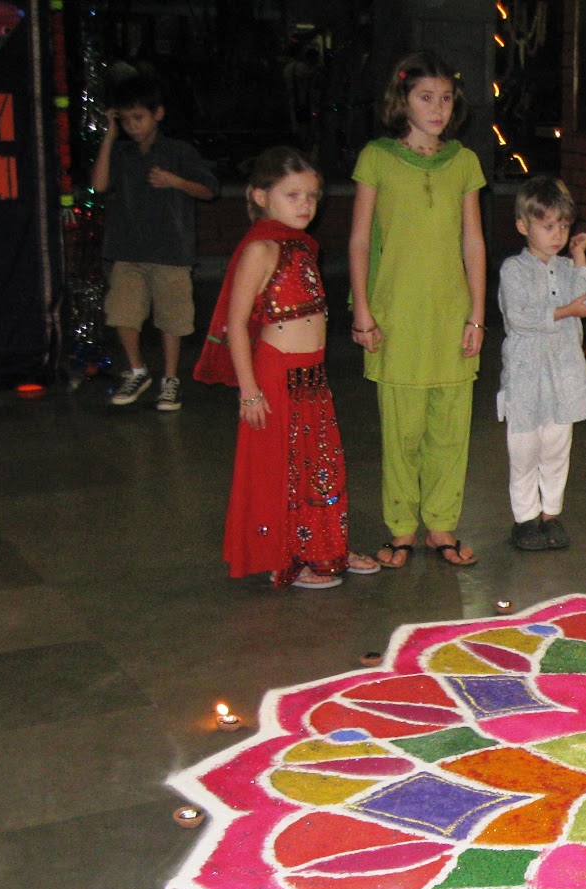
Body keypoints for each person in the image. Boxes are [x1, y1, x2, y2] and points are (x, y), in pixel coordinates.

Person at [194, 146, 379, 589]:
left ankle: (327, 546)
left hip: (312, 377)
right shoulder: (260, 249)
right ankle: (291, 557)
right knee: (284, 470)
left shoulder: (301, 246)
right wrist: (250, 391)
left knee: (323, 466)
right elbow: (237, 325)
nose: (305, 205)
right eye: (293, 195)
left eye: (312, 196)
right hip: (275, 377)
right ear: (260, 196)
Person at [349, 51, 487, 568]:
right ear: (401, 100)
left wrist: (476, 315)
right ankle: (402, 528)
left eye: (446, 98)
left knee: (450, 426)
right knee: (402, 429)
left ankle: (442, 525)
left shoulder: (464, 162)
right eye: (426, 97)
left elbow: (473, 242)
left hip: (451, 315)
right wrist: (362, 309)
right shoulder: (377, 158)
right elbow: (361, 240)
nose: (438, 108)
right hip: (396, 314)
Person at [91, 73, 219, 411]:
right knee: (122, 312)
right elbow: (99, 185)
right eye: (126, 118)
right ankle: (137, 370)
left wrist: (175, 181)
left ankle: (170, 379)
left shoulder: (178, 151)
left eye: (139, 117)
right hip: (127, 248)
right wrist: (109, 135)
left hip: (170, 251)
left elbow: (208, 189)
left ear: (157, 114)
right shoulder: (121, 153)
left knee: (172, 317)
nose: (133, 126)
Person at [497, 176, 586, 550]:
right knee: (525, 449)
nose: (557, 234)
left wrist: (579, 257)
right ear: (524, 226)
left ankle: (550, 514)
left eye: (564, 225)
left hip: (564, 375)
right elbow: (520, 316)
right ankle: (525, 518)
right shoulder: (514, 269)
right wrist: (565, 311)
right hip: (527, 377)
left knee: (557, 447)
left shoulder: (566, 266)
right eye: (547, 225)